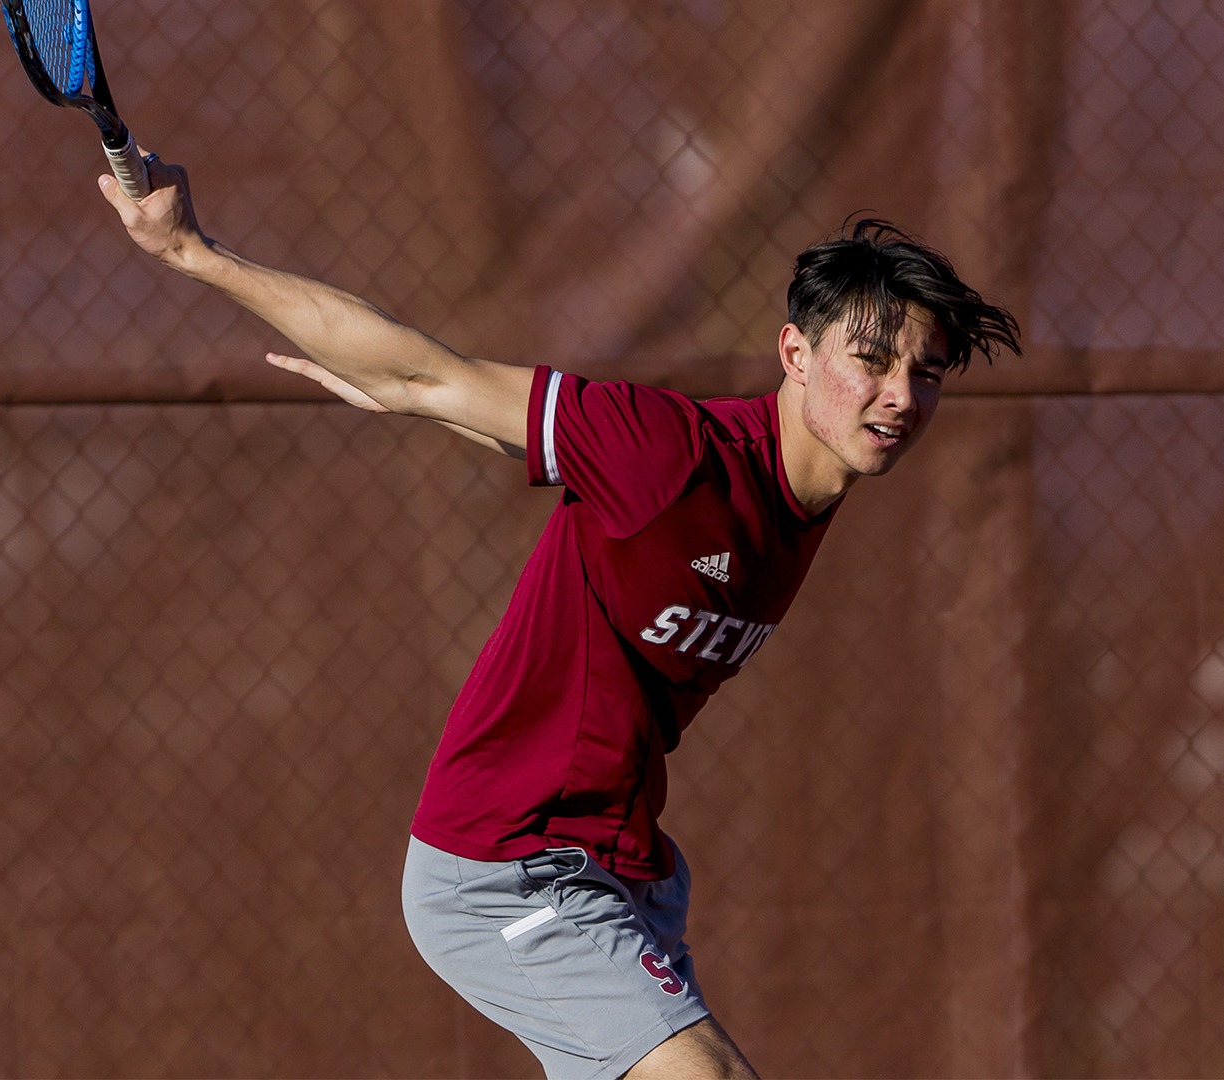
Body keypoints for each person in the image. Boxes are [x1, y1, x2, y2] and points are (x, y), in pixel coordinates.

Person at [100, 155, 1019, 1079]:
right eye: (871, 360)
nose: (900, 396)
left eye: (926, 373)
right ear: (796, 355)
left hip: (624, 870)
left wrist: (429, 404)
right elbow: (427, 373)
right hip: (506, 861)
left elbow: (458, 413)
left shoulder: (804, 502)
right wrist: (193, 253)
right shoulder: (669, 452)